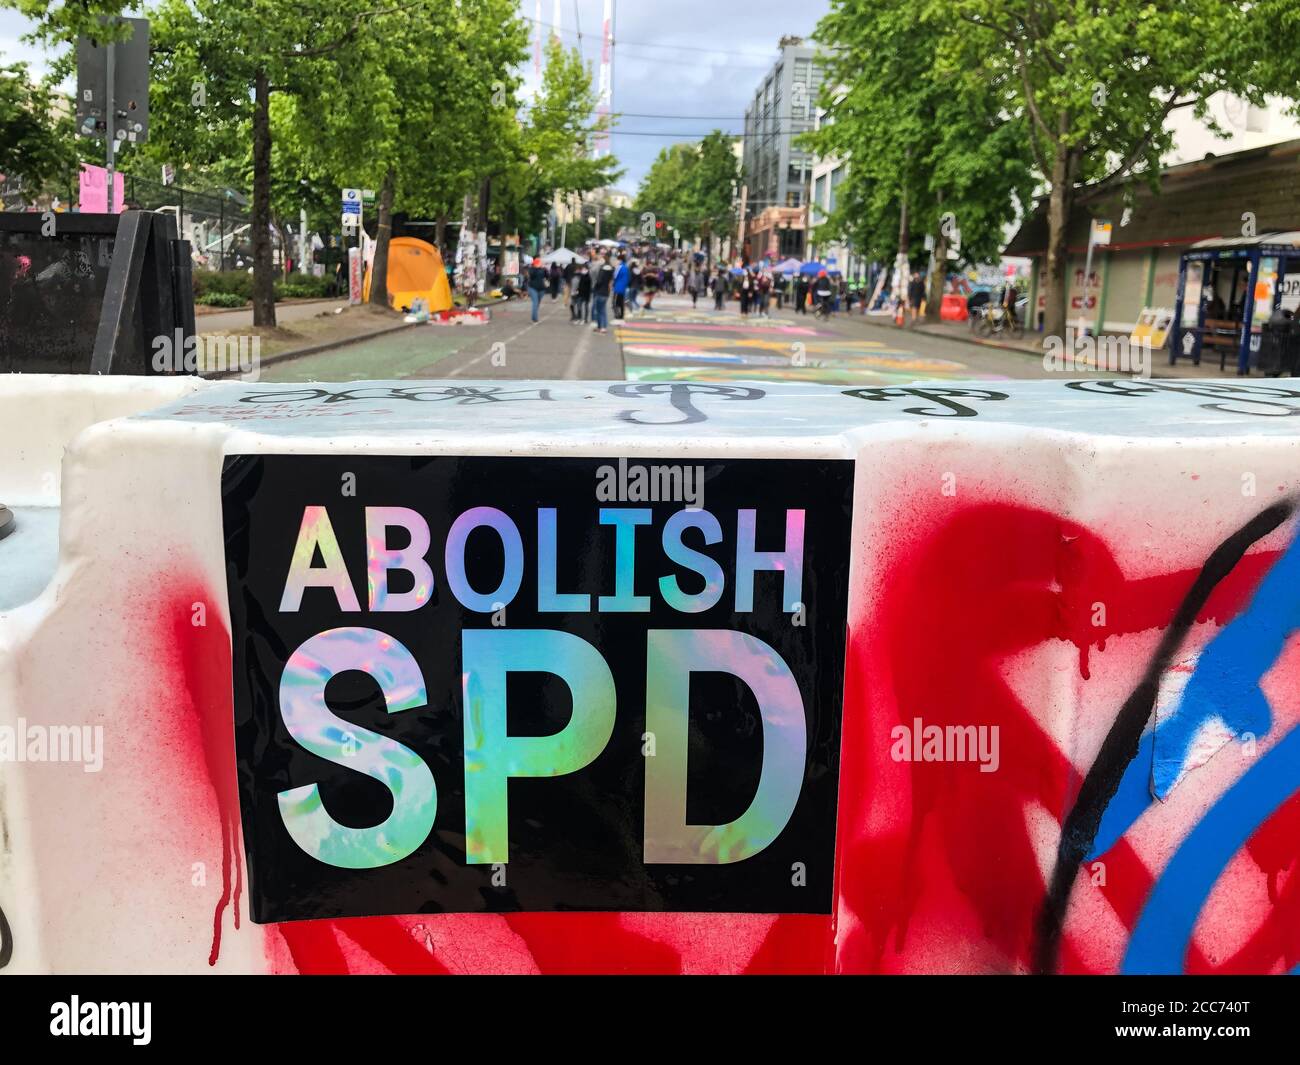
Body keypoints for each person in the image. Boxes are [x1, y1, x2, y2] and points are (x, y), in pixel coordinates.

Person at [591, 254, 614, 333]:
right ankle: (603, 327)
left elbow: (599, 281)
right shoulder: (611, 270)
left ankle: (600, 326)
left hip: (599, 291)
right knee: (603, 310)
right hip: (606, 292)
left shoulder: (601, 270)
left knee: (598, 310)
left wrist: (595, 286)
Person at [527, 257, 548, 322]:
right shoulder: (532, 269)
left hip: (541, 289)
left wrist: (545, 270)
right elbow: (532, 275)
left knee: (538, 303)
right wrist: (536, 268)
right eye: (539, 263)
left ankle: (534, 314)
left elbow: (547, 276)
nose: (540, 264)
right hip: (533, 288)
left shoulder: (543, 269)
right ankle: (534, 318)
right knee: (535, 302)